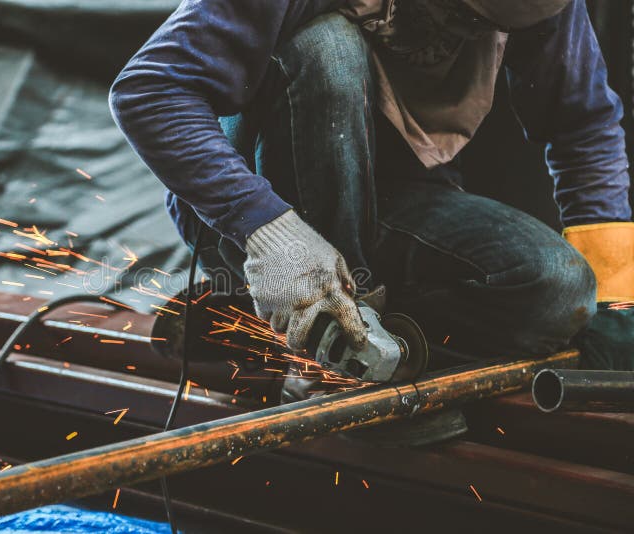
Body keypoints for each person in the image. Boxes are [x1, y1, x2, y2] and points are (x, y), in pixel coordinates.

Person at [110, 0, 634, 378]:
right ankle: (323, 348)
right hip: (260, 197)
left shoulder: (545, 8)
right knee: (327, 47)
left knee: (560, 288)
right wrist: (271, 232)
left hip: (398, 196)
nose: (460, 31)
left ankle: (367, 345)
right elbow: (150, 88)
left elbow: (582, 125)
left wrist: (616, 298)